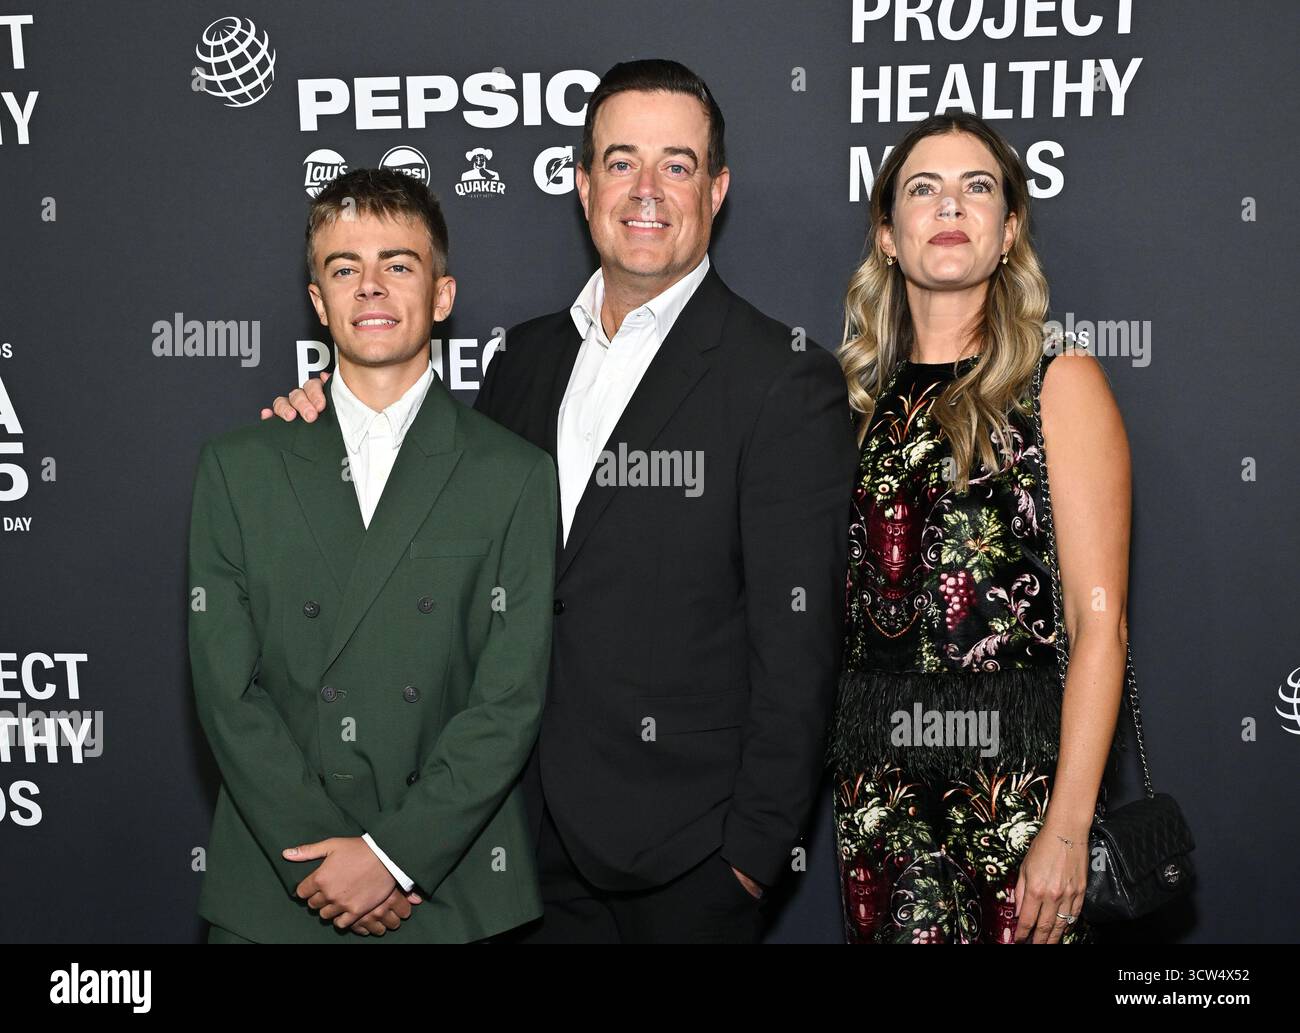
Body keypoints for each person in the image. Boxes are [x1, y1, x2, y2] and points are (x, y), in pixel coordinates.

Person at [264, 59, 859, 943]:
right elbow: (441, 525)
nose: (646, 189)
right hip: (516, 846)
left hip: (688, 861)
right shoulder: (524, 362)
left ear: (718, 188)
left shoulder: (783, 377)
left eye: (678, 164)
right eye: (620, 162)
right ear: (583, 186)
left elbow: (800, 643)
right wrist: (323, 414)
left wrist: (749, 857)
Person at [190, 167, 556, 942]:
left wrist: (394, 856)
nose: (372, 288)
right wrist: (322, 865)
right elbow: (228, 693)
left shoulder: (514, 474)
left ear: (443, 295)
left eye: (399, 264)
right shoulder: (238, 465)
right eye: (344, 269)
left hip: (448, 892)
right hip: (277, 890)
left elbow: (508, 700)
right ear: (318, 303)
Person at [828, 111, 1129, 944]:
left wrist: (1067, 824)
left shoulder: (1059, 383)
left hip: (1018, 796)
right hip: (877, 796)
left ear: (1008, 232)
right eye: (923, 190)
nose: (950, 206)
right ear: (888, 235)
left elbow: (1097, 623)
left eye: (977, 187)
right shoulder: (851, 403)